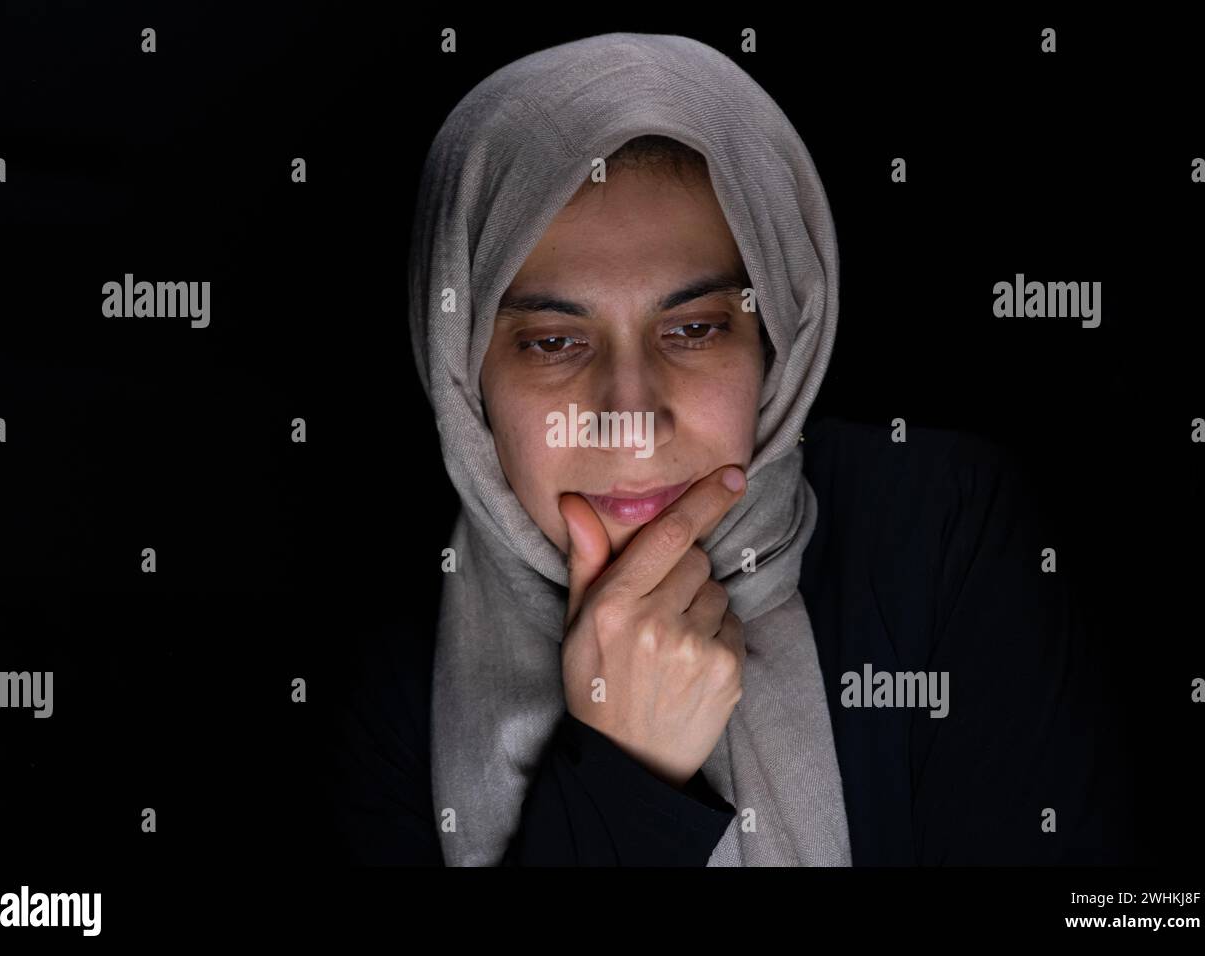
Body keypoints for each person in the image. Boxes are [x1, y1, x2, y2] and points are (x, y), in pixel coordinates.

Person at [323, 32, 1130, 866]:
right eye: (553, 342)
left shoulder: (944, 531)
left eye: (696, 328)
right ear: (463, 373)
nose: (631, 419)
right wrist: (627, 773)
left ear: (780, 336)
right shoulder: (391, 690)